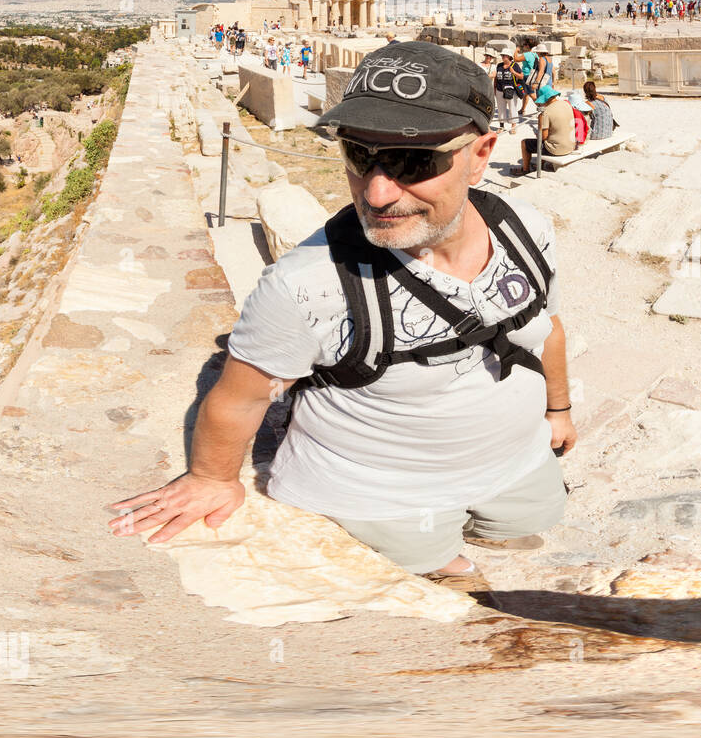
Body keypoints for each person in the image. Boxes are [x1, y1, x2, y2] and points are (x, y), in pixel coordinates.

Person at [110, 43, 571, 591]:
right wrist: (212, 477)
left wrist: (558, 410)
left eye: (412, 161)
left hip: (515, 457)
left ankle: (479, 528)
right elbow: (242, 395)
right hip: (384, 494)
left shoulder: (523, 228)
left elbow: (545, 329)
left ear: (480, 154)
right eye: (358, 155)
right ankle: (442, 561)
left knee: (528, 521)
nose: (377, 192)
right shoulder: (307, 285)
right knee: (434, 567)